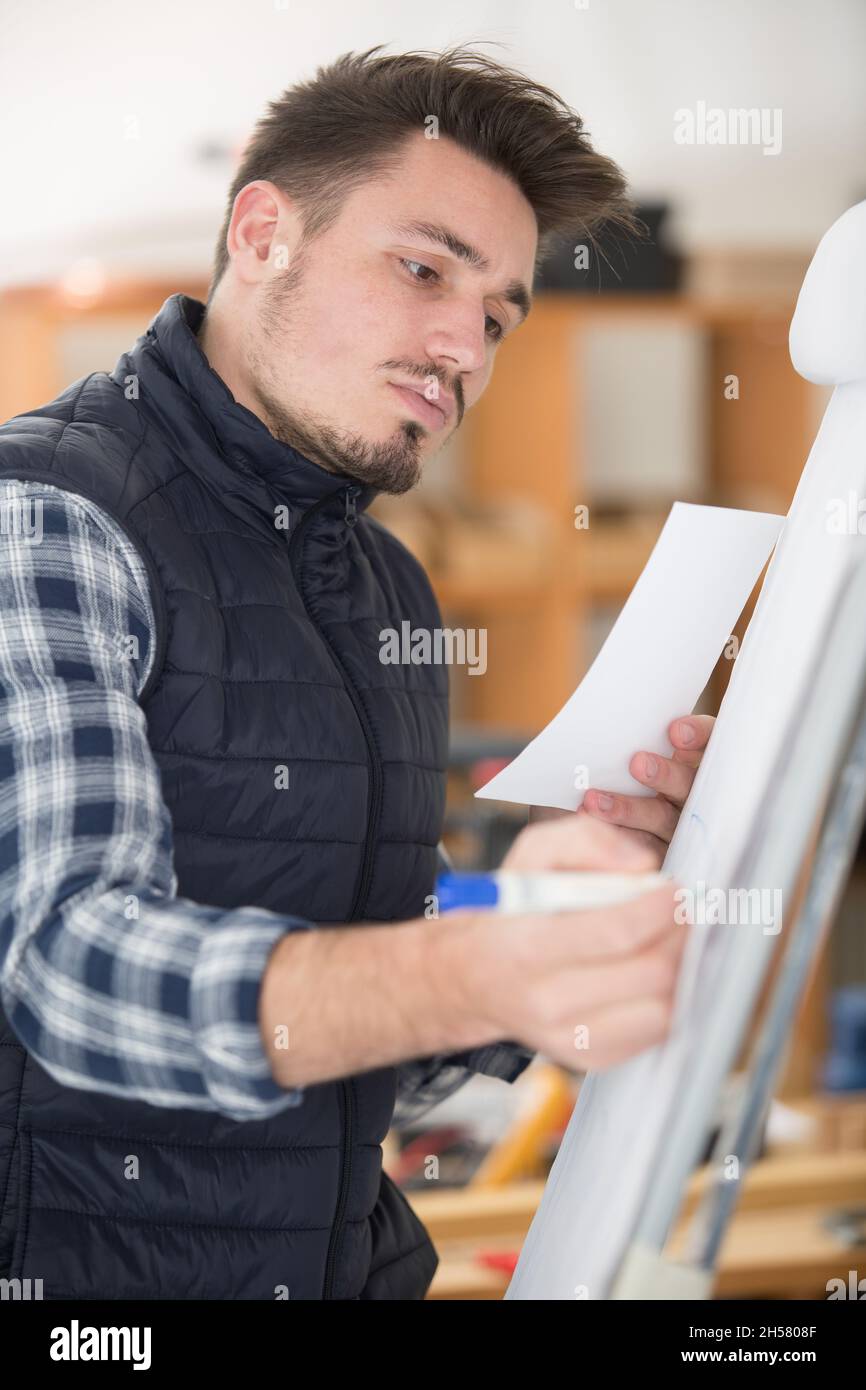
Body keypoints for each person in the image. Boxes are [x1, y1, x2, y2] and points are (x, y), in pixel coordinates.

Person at [0, 45, 713, 1301]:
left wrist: (533, 920)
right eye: (422, 268)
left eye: (495, 314)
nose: (462, 346)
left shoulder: (384, 590)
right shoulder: (47, 518)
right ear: (263, 230)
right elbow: (70, 975)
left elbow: (380, 1051)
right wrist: (470, 967)